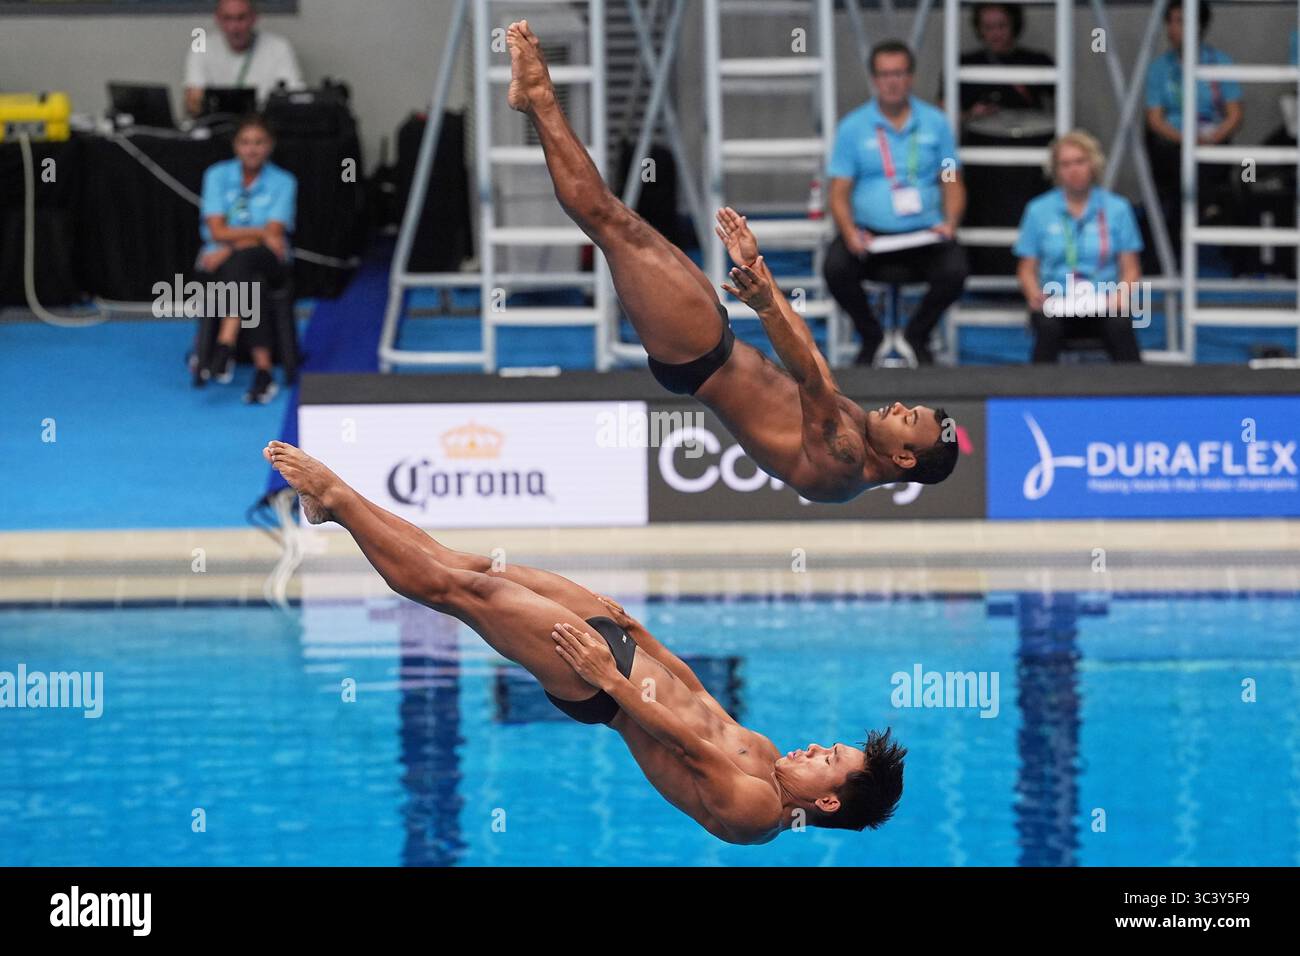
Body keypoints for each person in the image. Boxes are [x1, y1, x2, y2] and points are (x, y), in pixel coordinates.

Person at [263, 439, 907, 845]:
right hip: (622, 658)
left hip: (601, 685)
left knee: (458, 593)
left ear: (826, 799)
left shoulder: (757, 812)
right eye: (831, 746)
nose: (819, 746)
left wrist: (610, 674)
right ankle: (333, 507)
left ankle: (339, 499)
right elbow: (701, 702)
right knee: (476, 568)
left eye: (830, 759)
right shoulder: (768, 759)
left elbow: (678, 738)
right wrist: (640, 633)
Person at [503, 21, 958, 502]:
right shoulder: (857, 432)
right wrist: (757, 267)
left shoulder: (843, 460)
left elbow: (805, 378)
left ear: (904, 458)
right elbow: (815, 362)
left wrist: (763, 306)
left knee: (608, 223)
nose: (900, 405)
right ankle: (537, 100)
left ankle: (540, 98)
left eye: (909, 418)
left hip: (699, 355)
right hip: (713, 340)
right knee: (619, 222)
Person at [823, 40, 969, 367]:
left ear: (911, 78)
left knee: (956, 269)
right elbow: (839, 191)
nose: (893, 81)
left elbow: (951, 178)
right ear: (874, 80)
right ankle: (871, 335)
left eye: (900, 73)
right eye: (885, 74)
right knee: (835, 267)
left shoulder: (935, 123)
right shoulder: (852, 128)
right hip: (870, 237)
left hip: (924, 235)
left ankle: (916, 334)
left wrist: (950, 223)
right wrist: (849, 232)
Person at [1014, 131, 1144, 364]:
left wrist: (1120, 294)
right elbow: (1026, 269)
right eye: (1065, 164)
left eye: (1080, 162)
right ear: (1055, 170)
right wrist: (1034, 293)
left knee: (1120, 323)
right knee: (1047, 326)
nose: (1073, 170)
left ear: (1093, 165)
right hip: (1056, 302)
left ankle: (1135, 394)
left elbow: (1131, 268)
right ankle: (1036, 395)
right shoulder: (1038, 210)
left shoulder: (1118, 209)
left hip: (1103, 301)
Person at [195, 113, 296, 403]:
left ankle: (226, 339)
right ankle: (263, 372)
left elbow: (275, 233)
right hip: (232, 262)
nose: (252, 149)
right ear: (235, 146)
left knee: (244, 264)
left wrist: (230, 245)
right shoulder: (216, 175)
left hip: (269, 260)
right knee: (251, 281)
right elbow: (216, 230)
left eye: (259, 142)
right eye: (245, 142)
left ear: (270, 145)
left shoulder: (284, 182)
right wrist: (257, 235)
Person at [1144, 0, 1243, 249]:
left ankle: (1182, 235)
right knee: (1176, 162)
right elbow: (1154, 119)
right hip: (1173, 142)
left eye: (1181, 21)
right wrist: (1186, 140)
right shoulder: (1159, 68)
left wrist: (1212, 139)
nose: (1173, 29)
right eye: (1170, 21)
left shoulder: (1220, 62)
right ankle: (1207, 207)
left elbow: (1235, 115)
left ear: (1199, 26)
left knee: (1204, 166)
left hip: (1212, 140)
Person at [184, 0, 304, 117]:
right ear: (217, 19)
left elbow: (292, 97)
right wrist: (195, 102)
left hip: (264, 127)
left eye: (241, 18)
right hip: (218, 125)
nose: (234, 27)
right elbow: (193, 102)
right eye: (227, 18)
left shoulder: (279, 47)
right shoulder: (201, 47)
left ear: (254, 18)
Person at [940, 3, 1055, 123]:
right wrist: (970, 114)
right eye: (988, 27)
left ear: (1014, 25)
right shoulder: (963, 64)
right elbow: (941, 113)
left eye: (1002, 26)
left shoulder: (1037, 61)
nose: (996, 33)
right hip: (978, 139)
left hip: (1031, 137)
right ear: (979, 29)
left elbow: (1064, 102)